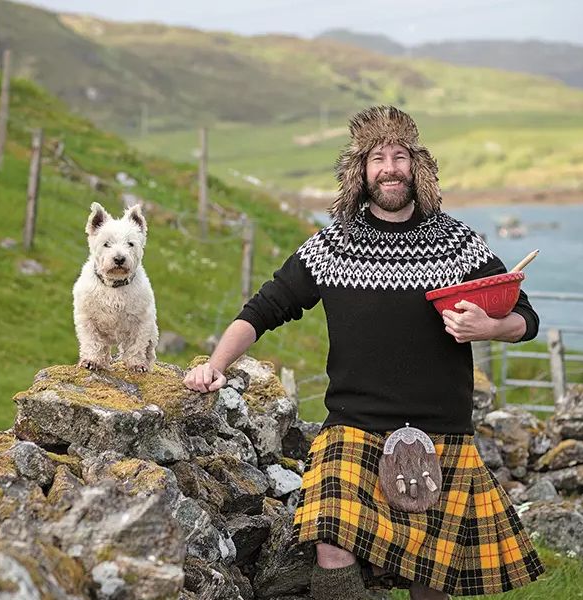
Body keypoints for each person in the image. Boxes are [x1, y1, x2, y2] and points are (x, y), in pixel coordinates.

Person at [183, 106, 545, 599]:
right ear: (362, 171)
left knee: (431, 577)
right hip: (353, 427)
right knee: (330, 537)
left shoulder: (460, 244)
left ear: (418, 168)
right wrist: (214, 365)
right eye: (378, 158)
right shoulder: (332, 245)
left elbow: (527, 318)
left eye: (400, 156)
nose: (391, 167)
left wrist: (490, 325)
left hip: (441, 429)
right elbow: (265, 307)